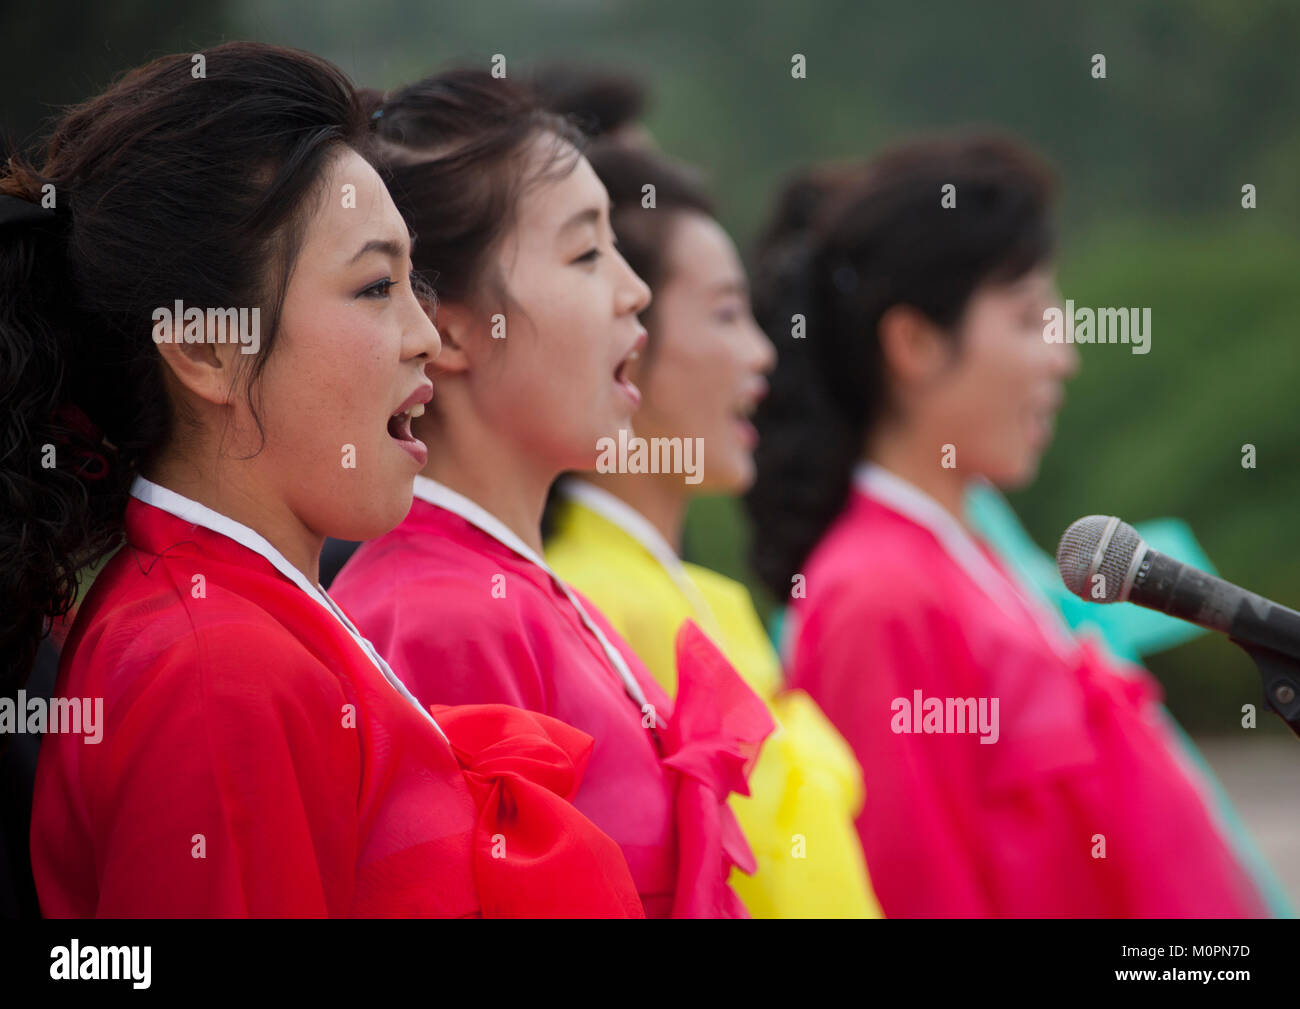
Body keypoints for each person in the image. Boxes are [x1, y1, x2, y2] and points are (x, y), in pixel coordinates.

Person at [2, 42, 643, 918]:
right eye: (376, 286)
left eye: (413, 282)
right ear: (205, 346)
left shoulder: (238, 619)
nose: (424, 335)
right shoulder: (215, 665)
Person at [747, 132, 1269, 917]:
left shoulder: (970, 557)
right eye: (1029, 317)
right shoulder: (876, 595)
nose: (1063, 356)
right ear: (915, 342)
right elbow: (917, 889)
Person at [331, 70, 773, 918]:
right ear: (451, 328)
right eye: (584, 253)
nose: (633, 291)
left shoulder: (525, 591)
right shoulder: (442, 618)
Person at [544, 141, 881, 917]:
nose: (760, 354)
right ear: (625, 339)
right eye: (726, 314)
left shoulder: (710, 600)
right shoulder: (587, 609)